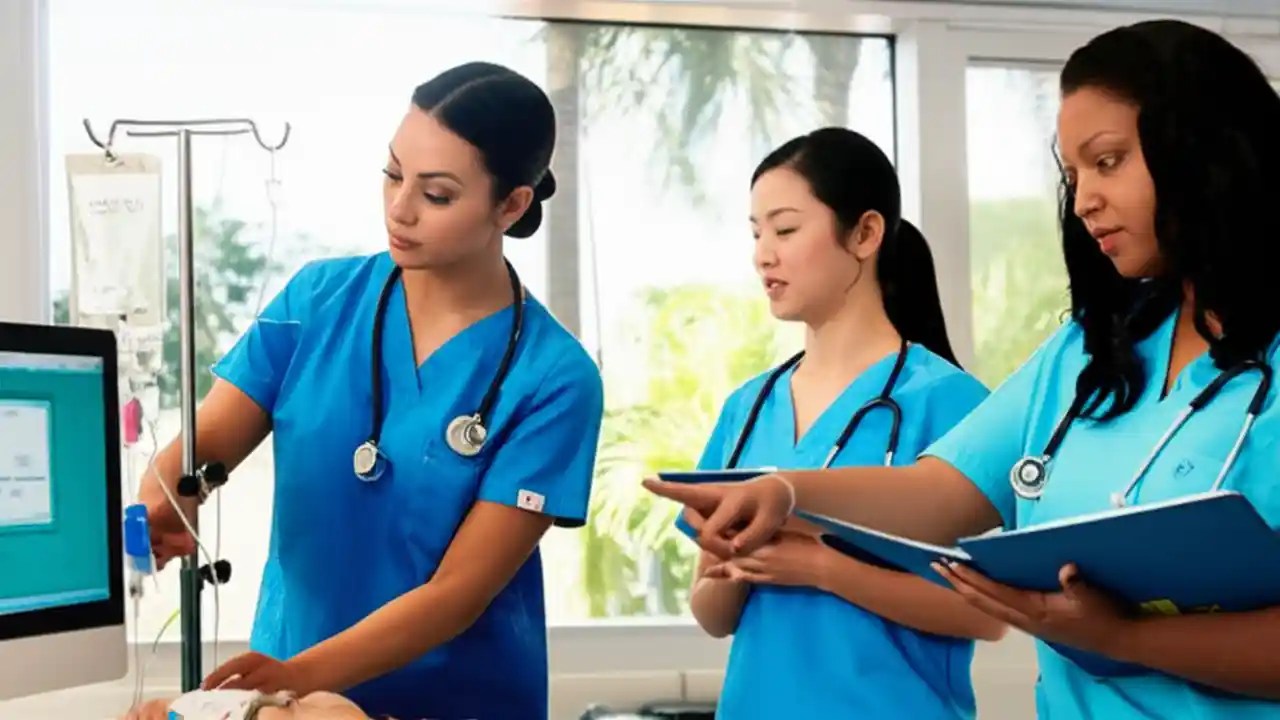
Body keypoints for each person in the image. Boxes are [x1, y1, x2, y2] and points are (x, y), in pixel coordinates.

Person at [645, 19, 1280, 720]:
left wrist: (1124, 637)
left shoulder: (935, 389)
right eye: (1073, 176)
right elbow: (943, 491)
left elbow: (969, 608)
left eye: (1108, 161)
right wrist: (786, 490)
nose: (1085, 200)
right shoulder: (1087, 355)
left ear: (1206, 149)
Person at [136, 62, 604, 720]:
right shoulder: (317, 302)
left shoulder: (554, 378)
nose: (399, 208)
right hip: (289, 707)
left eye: (436, 194)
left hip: (454, 701)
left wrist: (293, 674)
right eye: (392, 174)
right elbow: (202, 449)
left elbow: (458, 592)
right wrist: (161, 501)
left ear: (512, 204)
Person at [685, 128, 1003, 719]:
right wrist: (736, 562)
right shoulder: (747, 407)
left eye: (785, 229)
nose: (763, 254)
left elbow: (985, 614)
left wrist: (821, 567)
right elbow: (710, 613)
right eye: (756, 234)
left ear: (865, 234)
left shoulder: (951, 403)